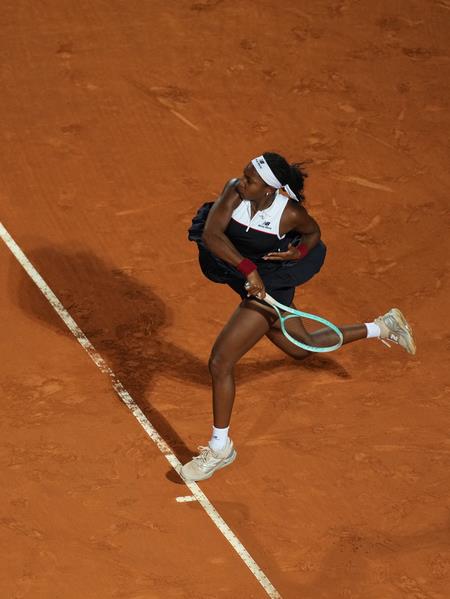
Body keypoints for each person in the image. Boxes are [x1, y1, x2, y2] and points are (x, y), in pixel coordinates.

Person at [181, 152, 415, 482]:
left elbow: (313, 233)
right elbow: (212, 235)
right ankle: (384, 327)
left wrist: (299, 252)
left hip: (272, 284)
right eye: (244, 175)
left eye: (250, 180)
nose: (242, 182)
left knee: (221, 361)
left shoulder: (289, 213)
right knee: (301, 346)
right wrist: (248, 270)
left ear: (269, 189)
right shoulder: (235, 191)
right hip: (247, 275)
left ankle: (220, 449)